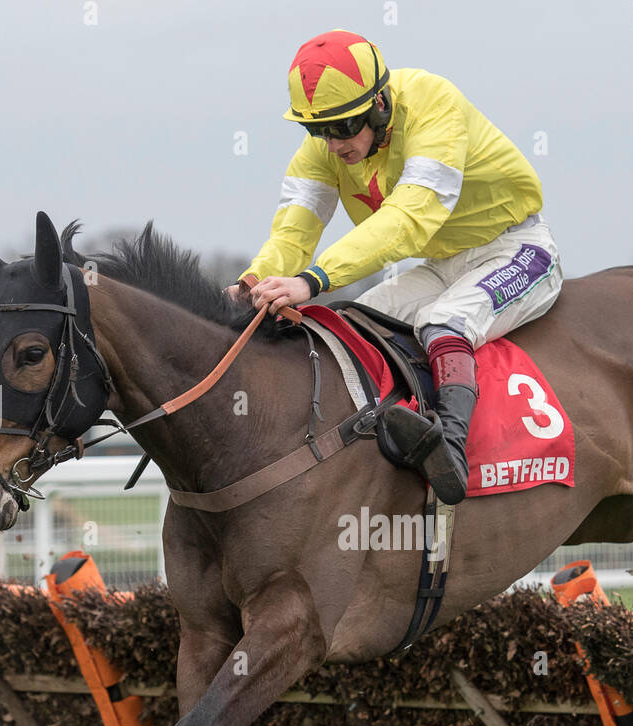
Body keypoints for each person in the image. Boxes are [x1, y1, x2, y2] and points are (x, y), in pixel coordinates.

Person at [229, 29, 563, 504]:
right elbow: (294, 230)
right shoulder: (326, 149)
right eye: (317, 130)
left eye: (344, 127)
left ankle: (449, 446)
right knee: (351, 325)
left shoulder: (432, 102)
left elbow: (410, 219)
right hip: (442, 264)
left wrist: (313, 280)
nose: (333, 143)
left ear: (381, 104)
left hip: (517, 249)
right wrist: (252, 282)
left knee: (443, 322)